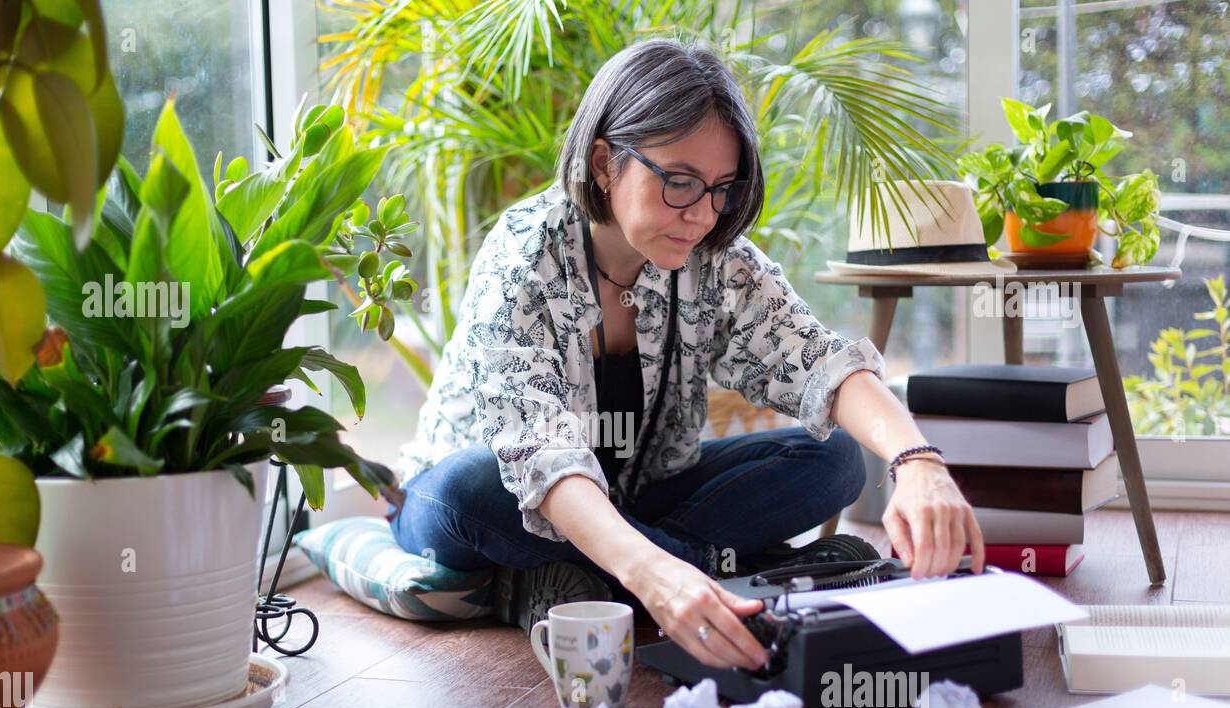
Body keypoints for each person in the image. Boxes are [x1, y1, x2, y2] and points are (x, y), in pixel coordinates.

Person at [388, 37, 985, 670]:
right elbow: (539, 455)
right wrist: (657, 573)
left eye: (721, 188)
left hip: (632, 498)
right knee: (468, 485)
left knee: (835, 458)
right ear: (603, 163)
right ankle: (724, 572)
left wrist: (918, 463)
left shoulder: (714, 261)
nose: (702, 214)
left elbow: (819, 361)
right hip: (477, 505)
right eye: (678, 181)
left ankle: (585, 579)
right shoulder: (522, 259)